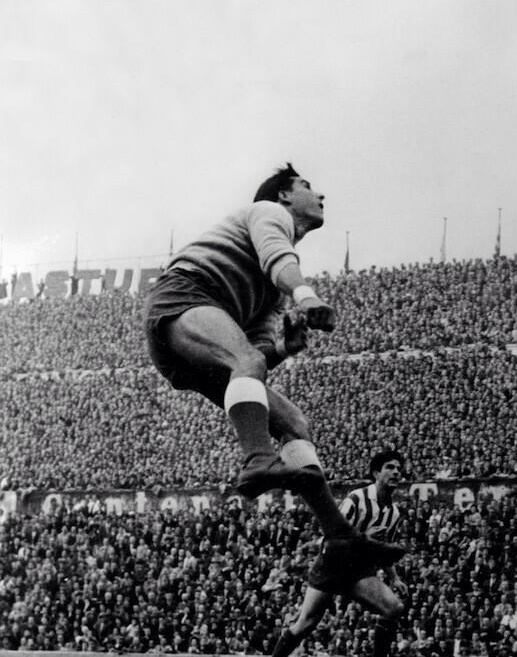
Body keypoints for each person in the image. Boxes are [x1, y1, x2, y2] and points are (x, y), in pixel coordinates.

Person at [143, 163, 403, 571]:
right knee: (243, 361)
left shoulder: (268, 292)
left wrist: (285, 346)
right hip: (184, 297)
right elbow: (277, 257)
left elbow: (259, 356)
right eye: (307, 186)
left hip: (199, 330)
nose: (320, 195)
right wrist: (306, 295)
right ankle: (256, 459)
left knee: (295, 423)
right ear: (284, 195)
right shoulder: (269, 212)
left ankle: (339, 535)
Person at [256, 449, 411, 657]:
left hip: (359, 571)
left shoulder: (394, 513)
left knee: (393, 608)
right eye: (390, 467)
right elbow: (333, 535)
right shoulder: (357, 499)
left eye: (399, 468)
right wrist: (364, 538)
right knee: (306, 622)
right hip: (331, 564)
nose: (396, 472)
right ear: (375, 473)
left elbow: (382, 553)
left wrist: (395, 578)